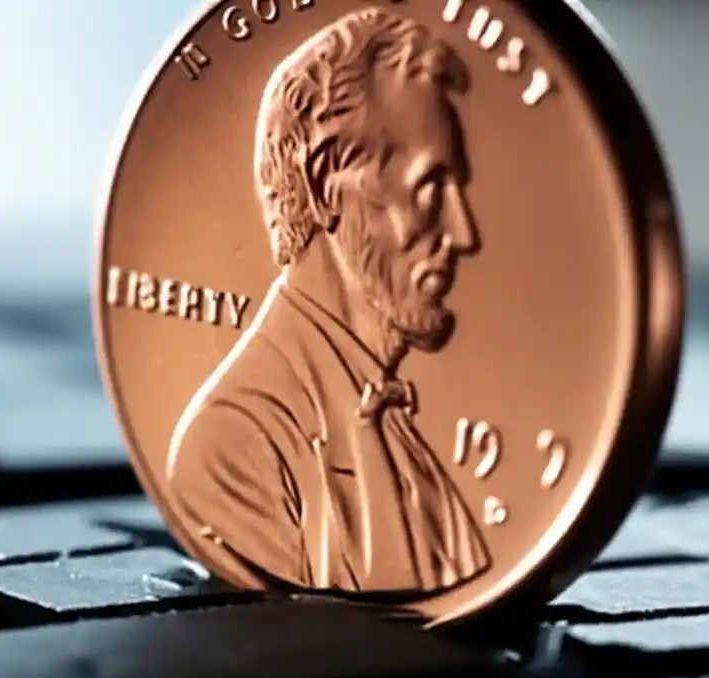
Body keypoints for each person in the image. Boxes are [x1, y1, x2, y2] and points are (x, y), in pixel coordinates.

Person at [165, 8, 491, 596]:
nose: (464, 233)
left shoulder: (401, 437)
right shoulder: (234, 444)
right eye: (430, 188)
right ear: (323, 186)